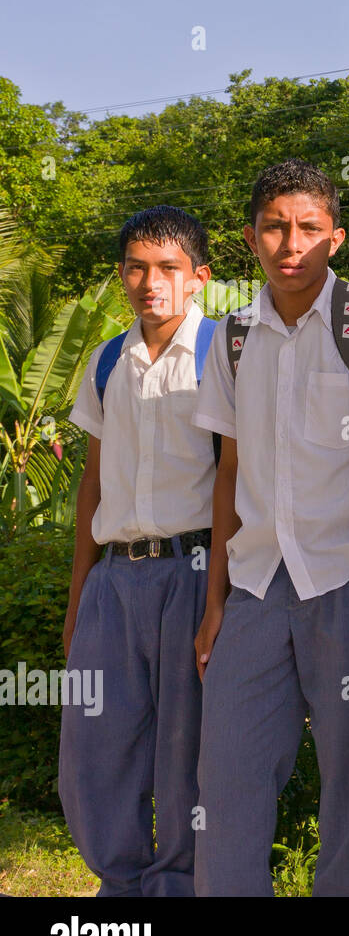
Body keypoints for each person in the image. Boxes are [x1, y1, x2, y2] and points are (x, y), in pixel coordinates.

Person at [192, 159, 349, 896]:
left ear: (335, 237)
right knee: (228, 781)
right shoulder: (236, 336)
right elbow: (228, 473)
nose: (291, 242)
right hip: (253, 588)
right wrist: (215, 604)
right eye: (275, 226)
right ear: (251, 238)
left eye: (309, 227)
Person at [60, 205, 216, 896]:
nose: (150, 282)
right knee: (96, 746)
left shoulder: (222, 356)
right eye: (135, 268)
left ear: (198, 278)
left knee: (186, 750)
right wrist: (78, 599)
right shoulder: (106, 362)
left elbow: (239, 484)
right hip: (113, 583)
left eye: (167, 269)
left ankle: (175, 884)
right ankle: (119, 888)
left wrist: (221, 601)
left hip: (194, 572)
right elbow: (91, 484)